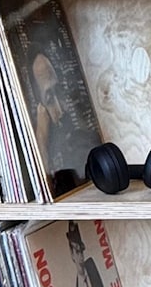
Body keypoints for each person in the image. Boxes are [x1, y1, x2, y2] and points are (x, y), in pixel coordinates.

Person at [28, 44, 102, 196]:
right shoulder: (43, 145)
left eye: (59, 90)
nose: (61, 109)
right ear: (40, 109)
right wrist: (41, 139)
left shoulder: (83, 142)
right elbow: (44, 197)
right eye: (49, 98)